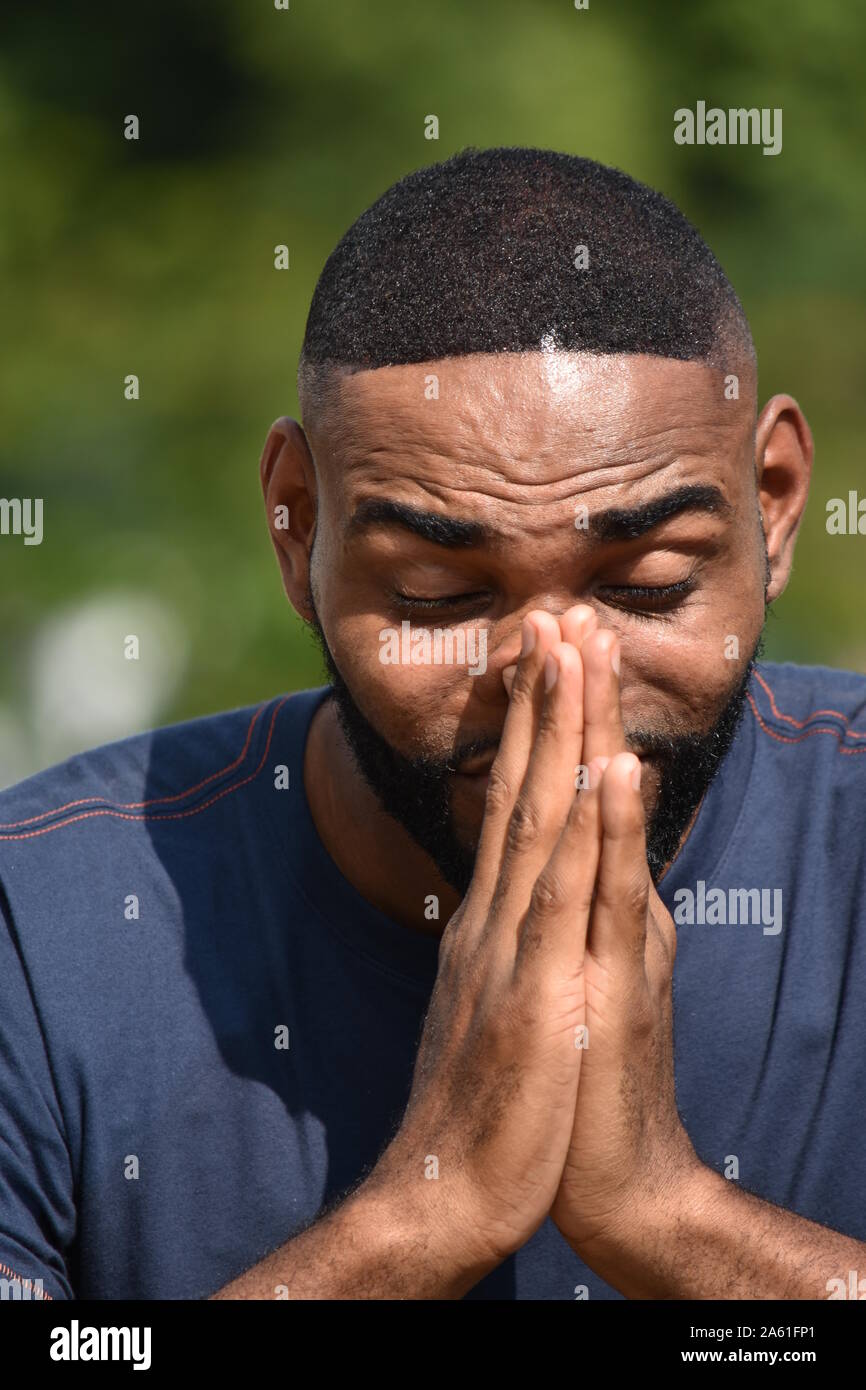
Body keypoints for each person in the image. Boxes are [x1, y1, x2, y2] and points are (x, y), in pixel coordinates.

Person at [1, 146, 864, 1302]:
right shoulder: (40, 939)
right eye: (437, 598)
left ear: (771, 506)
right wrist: (423, 1216)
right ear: (295, 525)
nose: (558, 680)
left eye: (649, 581)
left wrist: (669, 1217)